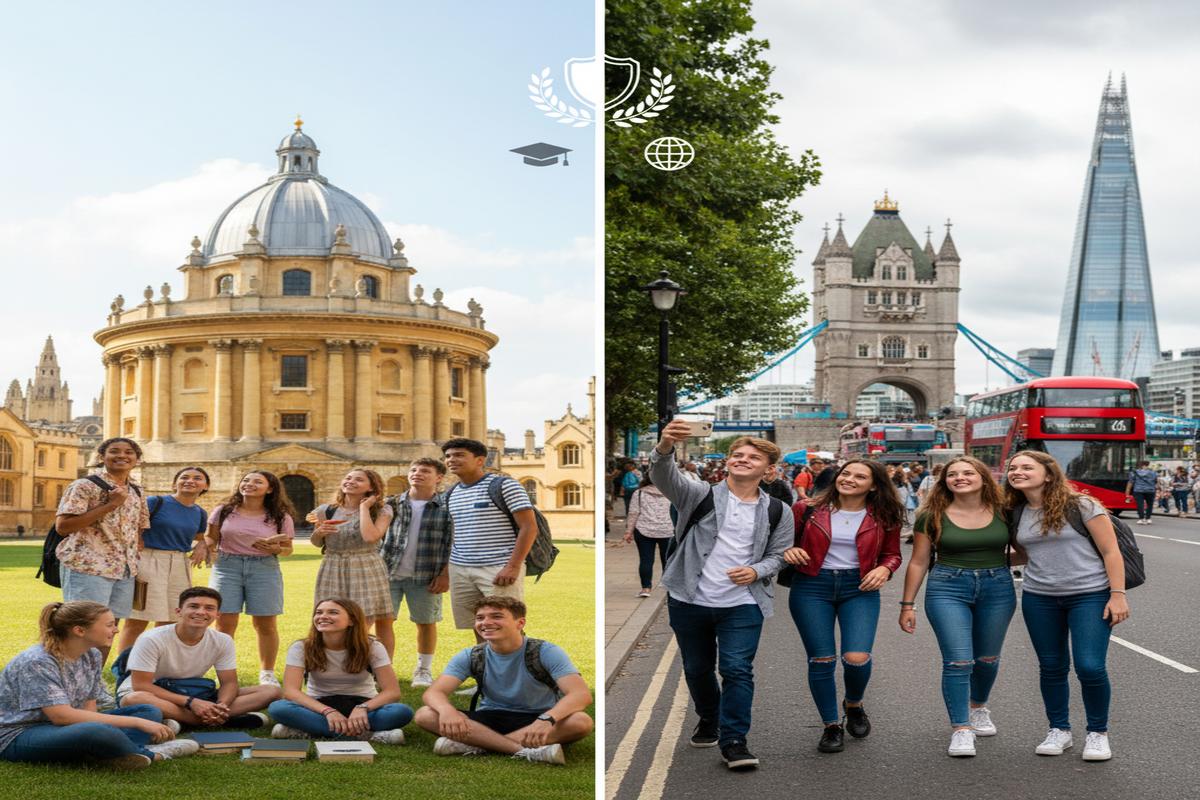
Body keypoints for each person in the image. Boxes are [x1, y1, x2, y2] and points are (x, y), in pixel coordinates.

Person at [650, 419, 792, 771]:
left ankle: (734, 741)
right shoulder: (698, 494)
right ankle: (709, 716)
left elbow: (780, 554)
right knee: (696, 669)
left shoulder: (778, 510)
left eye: (752, 457)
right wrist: (665, 444)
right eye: (737, 454)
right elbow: (664, 475)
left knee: (736, 670)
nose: (741, 459)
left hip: (743, 603)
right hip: (689, 598)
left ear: (768, 469)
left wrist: (756, 571)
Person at [1005, 450, 1129, 762]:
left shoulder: (1082, 505)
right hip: (1039, 597)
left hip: (1089, 594)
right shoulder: (1016, 511)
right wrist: (968, 558)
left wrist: (1118, 594)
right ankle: (1059, 729)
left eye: (1026, 467)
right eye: (1013, 467)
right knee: (1052, 666)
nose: (1017, 471)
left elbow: (1111, 551)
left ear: (1048, 474)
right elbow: (1024, 554)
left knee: (1090, 666)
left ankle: (1097, 733)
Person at [782, 458, 904, 754]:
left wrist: (885, 569)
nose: (849, 479)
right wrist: (790, 549)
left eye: (859, 477)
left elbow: (893, 553)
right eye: (845, 473)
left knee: (856, 657)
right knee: (821, 659)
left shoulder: (885, 514)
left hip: (858, 587)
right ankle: (831, 725)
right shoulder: (807, 509)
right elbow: (782, 543)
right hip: (812, 585)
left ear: (874, 485)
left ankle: (854, 703)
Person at [898, 456, 1016, 757]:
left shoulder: (1005, 511)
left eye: (967, 472)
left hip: (997, 586)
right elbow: (919, 561)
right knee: (959, 661)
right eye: (952, 474)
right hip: (947, 586)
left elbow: (1028, 551)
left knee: (987, 658)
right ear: (944, 481)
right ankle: (961, 729)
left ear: (983, 477)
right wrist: (907, 605)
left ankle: (978, 707)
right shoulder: (932, 514)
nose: (960, 478)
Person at [0, 601, 197, 768]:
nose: (116, 629)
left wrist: (140, 719)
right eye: (109, 625)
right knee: (96, 731)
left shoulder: (92, 654)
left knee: (148, 711)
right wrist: (137, 723)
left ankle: (115, 750)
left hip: (66, 726)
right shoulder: (38, 662)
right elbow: (61, 716)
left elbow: (90, 706)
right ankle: (153, 753)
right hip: (20, 733)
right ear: (79, 630)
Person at [414, 596, 592, 765]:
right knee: (425, 714)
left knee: (580, 721)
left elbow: (580, 694)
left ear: (520, 623)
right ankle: (522, 750)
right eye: (480, 618)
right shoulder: (472, 655)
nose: (485, 623)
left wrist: (546, 719)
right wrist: (446, 710)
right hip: (489, 716)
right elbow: (434, 692)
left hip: (536, 718)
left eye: (496, 616)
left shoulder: (546, 651)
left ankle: (477, 744)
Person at [118, 587, 279, 727]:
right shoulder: (152, 638)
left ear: (217, 614)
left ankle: (198, 717)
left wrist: (221, 705)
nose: (201, 612)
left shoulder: (222, 640)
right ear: (179, 611)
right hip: (154, 693)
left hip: (192, 691)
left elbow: (229, 682)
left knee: (272, 691)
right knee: (134, 699)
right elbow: (141, 685)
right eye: (193, 606)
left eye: (209, 608)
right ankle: (207, 721)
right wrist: (192, 703)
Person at [54, 437, 151, 663]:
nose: (122, 456)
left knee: (108, 630)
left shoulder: (137, 490)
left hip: (124, 571)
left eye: (129, 452)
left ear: (137, 460)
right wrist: (111, 505)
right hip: (88, 567)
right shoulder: (84, 486)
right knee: (82, 628)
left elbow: (138, 530)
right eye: (114, 451)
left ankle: (93, 683)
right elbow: (63, 527)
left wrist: (134, 554)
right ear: (101, 457)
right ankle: (68, 680)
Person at [269, 598, 413, 743]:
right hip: (319, 706)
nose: (323, 616)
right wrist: (327, 711)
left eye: (333, 612)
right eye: (319, 612)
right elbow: (291, 691)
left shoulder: (372, 646)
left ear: (351, 620)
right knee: (278, 708)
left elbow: (392, 692)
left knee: (401, 712)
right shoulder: (301, 647)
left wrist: (362, 708)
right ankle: (367, 735)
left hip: (363, 704)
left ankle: (312, 731)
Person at [205, 470, 296, 686]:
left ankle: (267, 673)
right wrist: (209, 548)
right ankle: (223, 673)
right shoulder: (223, 511)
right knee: (224, 623)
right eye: (246, 480)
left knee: (265, 623)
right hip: (227, 567)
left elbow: (287, 549)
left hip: (264, 568)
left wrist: (275, 547)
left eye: (257, 482)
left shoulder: (280, 516)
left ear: (270, 489)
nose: (249, 484)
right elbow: (210, 536)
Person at [442, 438, 536, 641]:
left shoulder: (504, 486)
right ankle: (486, 671)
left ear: (479, 460)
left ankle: (519, 670)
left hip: (497, 568)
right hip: (461, 569)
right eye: (448, 456)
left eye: (459, 455)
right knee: (480, 628)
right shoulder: (451, 493)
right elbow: (454, 534)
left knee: (507, 626)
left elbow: (529, 527)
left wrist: (513, 566)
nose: (451, 460)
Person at [117, 467, 211, 653]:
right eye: (184, 477)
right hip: (149, 560)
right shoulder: (156, 502)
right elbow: (130, 525)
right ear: (175, 482)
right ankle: (124, 666)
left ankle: (154, 662)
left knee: (172, 617)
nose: (190, 480)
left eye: (197, 478)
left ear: (205, 486)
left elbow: (200, 536)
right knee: (138, 618)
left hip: (179, 564)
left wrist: (202, 545)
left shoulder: (200, 513)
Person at [379, 458, 453, 687]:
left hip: (427, 574)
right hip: (388, 572)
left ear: (438, 477)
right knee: (383, 622)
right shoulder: (391, 504)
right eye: (413, 470)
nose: (417, 474)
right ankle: (383, 669)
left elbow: (453, 543)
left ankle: (423, 669)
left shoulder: (446, 506)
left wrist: (445, 574)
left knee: (426, 622)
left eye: (424, 471)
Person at [311, 469, 395, 656]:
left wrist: (364, 509)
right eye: (348, 478)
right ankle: (338, 665)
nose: (351, 481)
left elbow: (370, 537)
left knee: (366, 619)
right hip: (332, 566)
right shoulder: (326, 510)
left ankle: (380, 667)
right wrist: (320, 532)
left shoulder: (382, 510)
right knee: (331, 617)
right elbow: (317, 543)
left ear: (371, 486)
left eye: (359, 479)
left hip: (365, 565)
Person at [622, 475, 673, 598]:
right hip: (667, 529)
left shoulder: (639, 493)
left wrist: (629, 531)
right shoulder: (671, 492)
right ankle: (669, 589)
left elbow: (634, 513)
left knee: (646, 560)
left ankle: (646, 588)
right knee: (668, 560)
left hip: (644, 529)